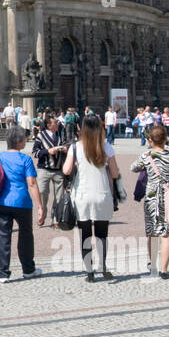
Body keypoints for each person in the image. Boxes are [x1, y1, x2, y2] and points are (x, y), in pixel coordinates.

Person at [62, 114, 124, 282]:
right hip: (102, 194)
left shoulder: (75, 147)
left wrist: (74, 163)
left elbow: (66, 171)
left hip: (82, 195)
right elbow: (115, 172)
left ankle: (89, 272)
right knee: (102, 234)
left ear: (82, 128)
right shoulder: (106, 146)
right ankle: (102, 265)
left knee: (85, 235)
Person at [0, 125, 43, 282]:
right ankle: (28, 269)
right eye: (24, 138)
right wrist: (40, 206)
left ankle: (3, 272)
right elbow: (32, 183)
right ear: (19, 141)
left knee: (2, 236)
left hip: (0, 201)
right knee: (26, 235)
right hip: (22, 202)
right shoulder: (25, 159)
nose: (26, 140)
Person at [131, 123, 169, 280]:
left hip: (152, 196)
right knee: (166, 234)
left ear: (150, 140)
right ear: (166, 139)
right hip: (168, 197)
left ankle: (153, 266)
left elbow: (133, 167)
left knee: (152, 232)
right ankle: (164, 270)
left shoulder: (146, 156)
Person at [31, 114, 68, 229]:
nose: (57, 124)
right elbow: (35, 152)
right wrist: (47, 151)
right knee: (42, 192)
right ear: (49, 125)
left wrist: (66, 149)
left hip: (58, 169)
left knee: (59, 196)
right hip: (44, 169)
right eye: (55, 122)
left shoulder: (60, 135)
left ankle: (56, 219)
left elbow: (67, 145)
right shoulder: (40, 136)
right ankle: (42, 212)